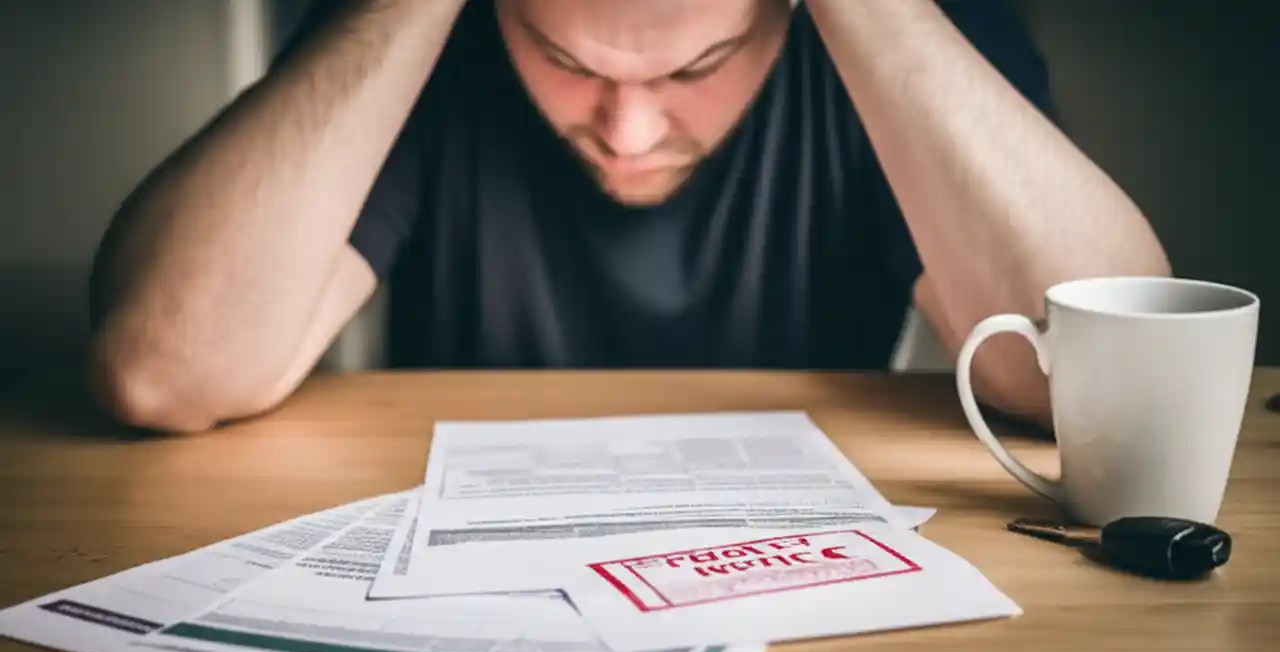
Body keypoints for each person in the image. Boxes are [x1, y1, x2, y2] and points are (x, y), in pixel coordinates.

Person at [86, 0, 1170, 433]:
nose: (629, 132)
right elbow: (164, 368)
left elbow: (1106, 381)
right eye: (562, 59)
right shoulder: (420, 43)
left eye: (698, 65)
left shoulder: (901, 42)